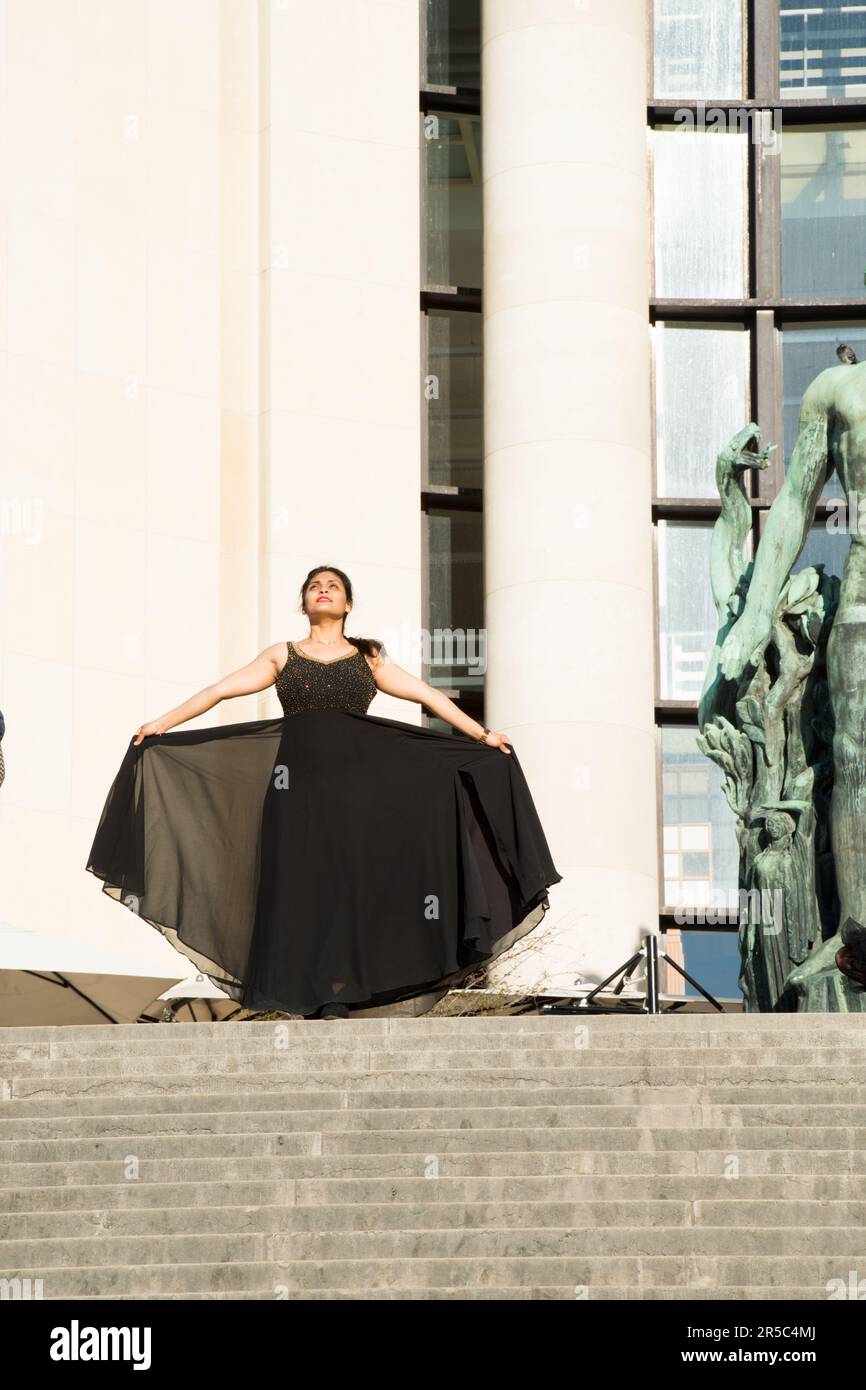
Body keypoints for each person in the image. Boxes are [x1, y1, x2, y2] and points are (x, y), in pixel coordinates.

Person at [86, 566, 562, 1020]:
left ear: (348, 603)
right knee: (299, 886)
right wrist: (161, 724)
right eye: (315, 585)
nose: (324, 590)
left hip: (356, 798)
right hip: (294, 795)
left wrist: (482, 737)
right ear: (305, 602)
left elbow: (426, 695)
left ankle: (339, 990)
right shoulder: (282, 654)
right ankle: (306, 989)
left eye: (333, 585)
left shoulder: (367, 656)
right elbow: (219, 691)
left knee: (346, 888)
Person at [712, 359, 866, 986]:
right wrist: (753, 614)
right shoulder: (839, 390)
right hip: (863, 597)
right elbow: (798, 500)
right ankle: (857, 932)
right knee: (854, 753)